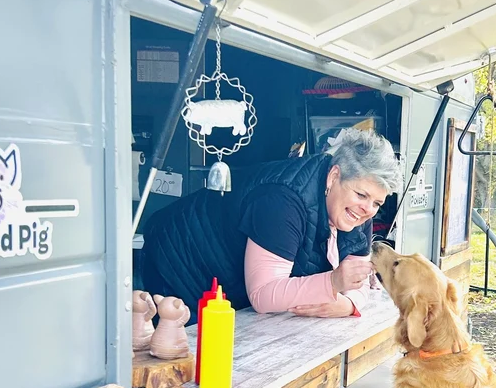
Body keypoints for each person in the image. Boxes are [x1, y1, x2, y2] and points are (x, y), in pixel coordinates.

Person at [140, 127, 401, 319]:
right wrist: (332, 283)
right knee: (183, 348)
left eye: (377, 203)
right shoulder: (282, 200)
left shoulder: (358, 211)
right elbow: (264, 295)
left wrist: (348, 305)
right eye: (361, 195)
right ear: (334, 176)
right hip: (181, 257)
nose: (368, 209)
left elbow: (359, 281)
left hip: (229, 278)